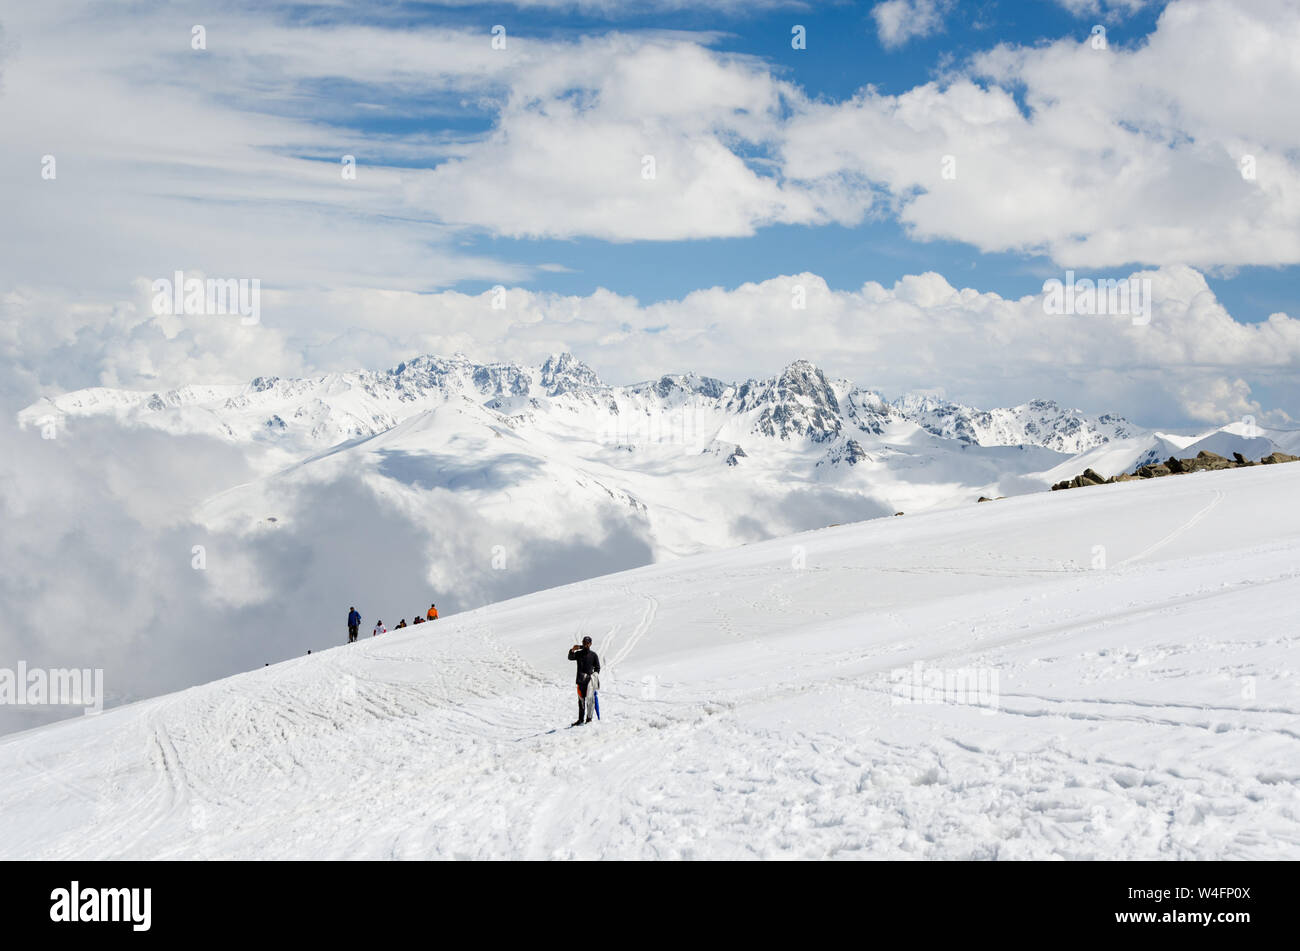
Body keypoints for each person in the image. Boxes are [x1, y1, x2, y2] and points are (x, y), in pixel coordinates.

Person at [567, 636, 601, 726]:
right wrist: (572, 650)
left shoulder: (593, 655)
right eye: (584, 643)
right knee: (581, 701)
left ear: (590, 644)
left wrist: (594, 675)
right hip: (580, 681)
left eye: (587, 643)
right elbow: (570, 657)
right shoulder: (579, 653)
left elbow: (598, 667)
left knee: (590, 701)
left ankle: (589, 719)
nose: (586, 644)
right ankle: (580, 720)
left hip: (589, 681)